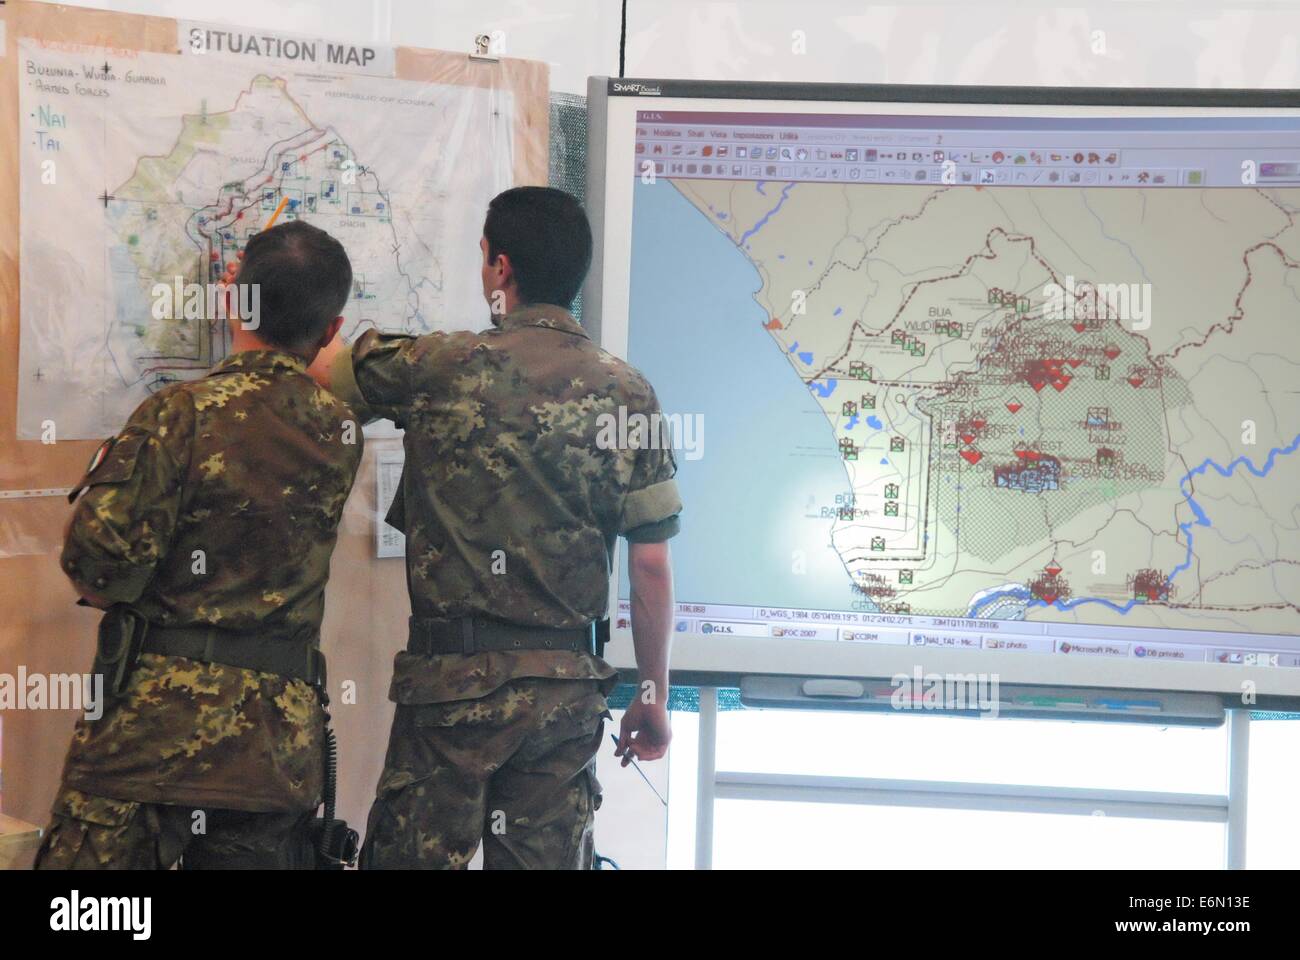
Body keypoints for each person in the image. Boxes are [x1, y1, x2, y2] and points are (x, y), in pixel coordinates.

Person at [313, 186, 680, 869]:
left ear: (501, 267)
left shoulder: (436, 365)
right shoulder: (629, 393)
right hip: (566, 694)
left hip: (452, 688)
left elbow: (320, 378)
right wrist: (651, 697)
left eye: (485, 257)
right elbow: (651, 568)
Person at [34, 220, 362, 870]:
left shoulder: (179, 414)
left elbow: (97, 566)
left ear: (235, 299)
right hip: (275, 752)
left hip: (152, 743)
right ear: (331, 330)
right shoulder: (339, 430)